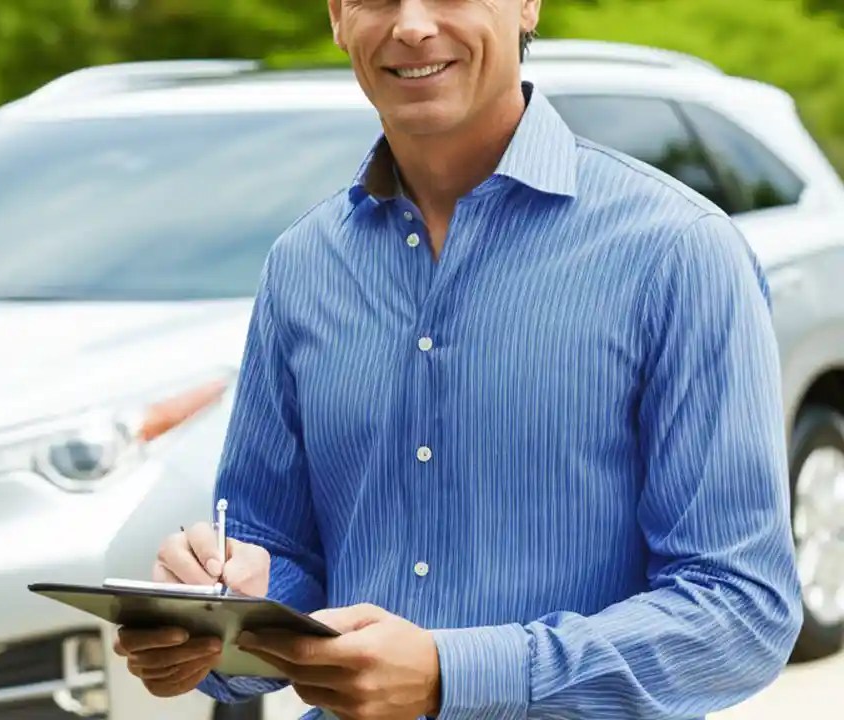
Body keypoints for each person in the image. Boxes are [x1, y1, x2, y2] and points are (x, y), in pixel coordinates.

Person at [112, 0, 803, 718]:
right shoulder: (304, 264)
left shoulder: (677, 250)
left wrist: (456, 672)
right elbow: (279, 560)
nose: (411, 24)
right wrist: (214, 623)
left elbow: (740, 612)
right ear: (338, 16)